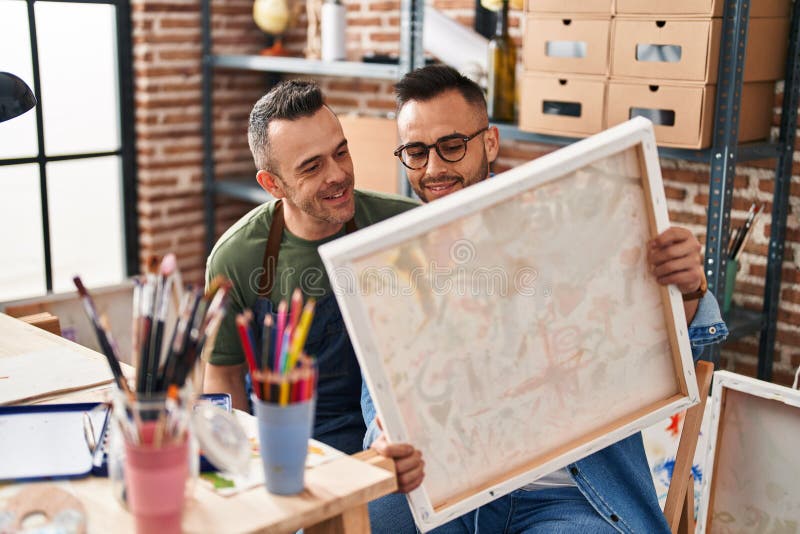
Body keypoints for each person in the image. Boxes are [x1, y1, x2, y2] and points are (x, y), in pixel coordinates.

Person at [362, 65, 729, 533]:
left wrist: (688, 288)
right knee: (345, 521)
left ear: (490, 142)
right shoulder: (393, 263)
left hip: (568, 496)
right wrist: (384, 436)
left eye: (452, 146)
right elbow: (378, 393)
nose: (434, 168)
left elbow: (671, 352)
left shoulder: (566, 228)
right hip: (450, 494)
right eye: (416, 152)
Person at [203, 80, 418, 454]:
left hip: (378, 441)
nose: (337, 174)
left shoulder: (401, 226)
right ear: (273, 184)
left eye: (341, 152)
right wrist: (244, 464)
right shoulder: (235, 259)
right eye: (312, 167)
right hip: (280, 441)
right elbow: (224, 378)